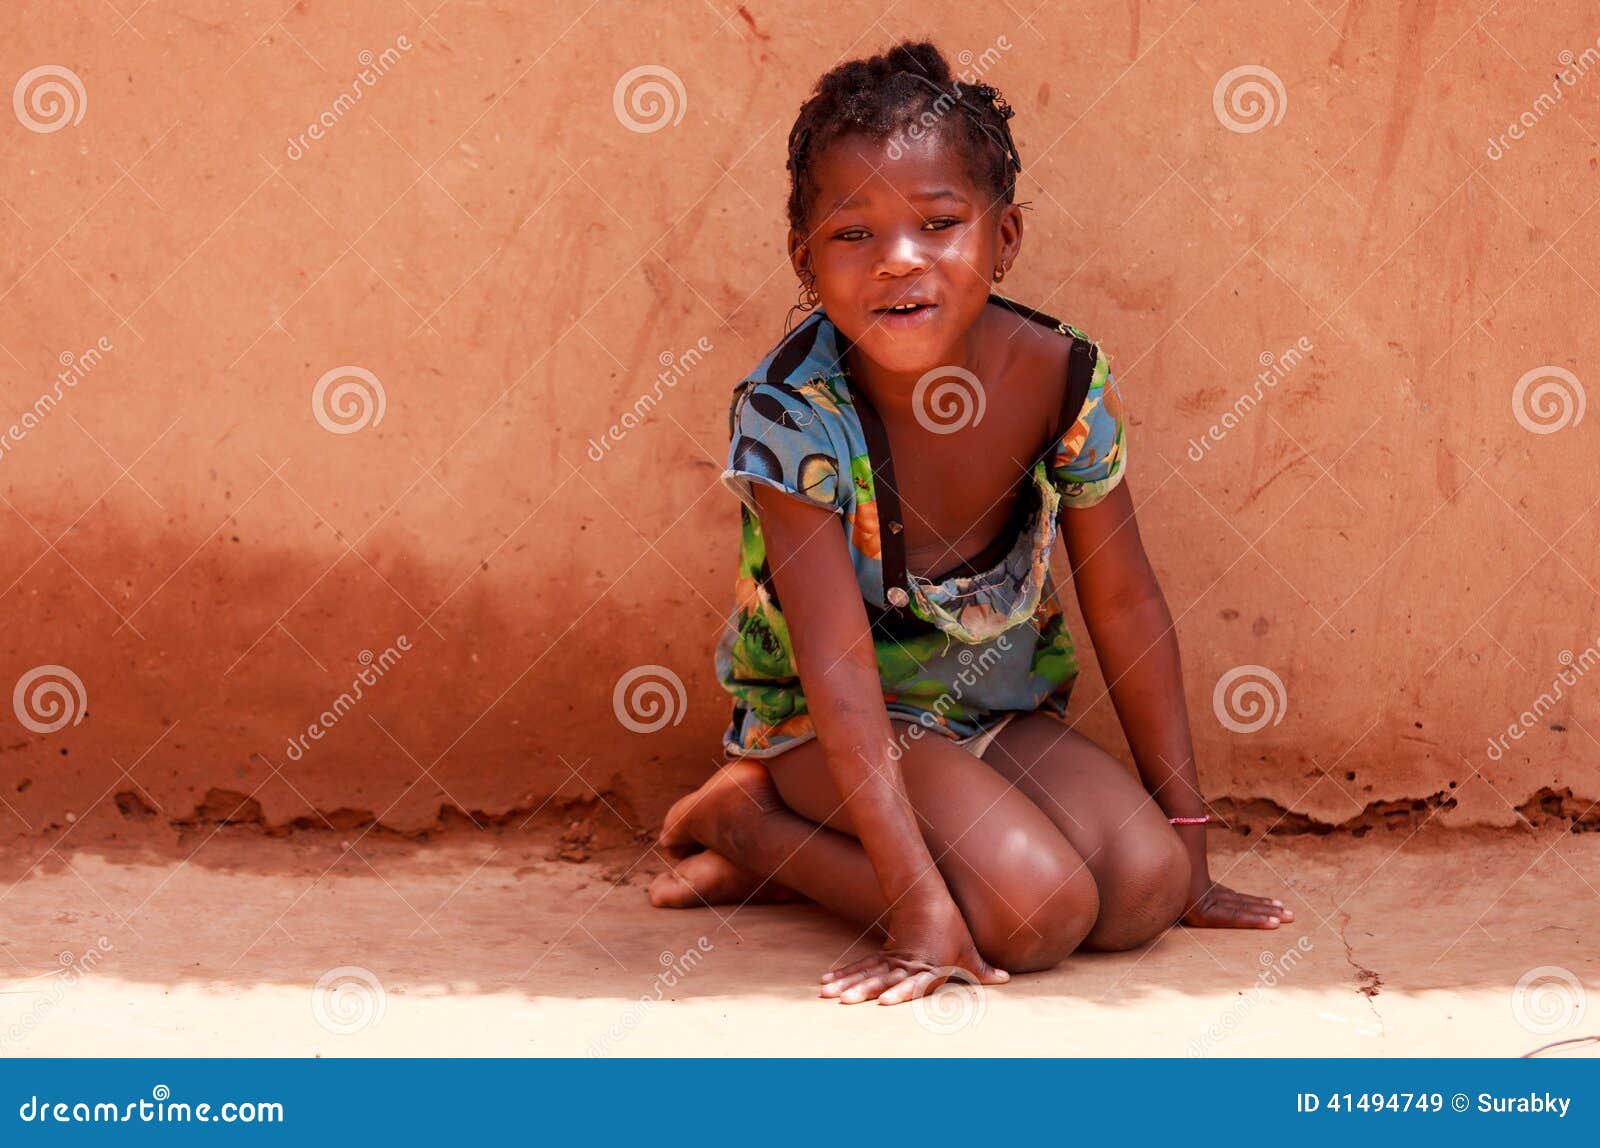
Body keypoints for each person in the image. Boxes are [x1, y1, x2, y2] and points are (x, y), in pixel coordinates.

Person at [649, 40, 1293, 1006]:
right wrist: (913, 908)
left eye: (940, 222)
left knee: (1145, 890)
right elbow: (834, 666)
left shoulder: (1063, 377)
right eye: (852, 234)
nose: (899, 260)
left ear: (1006, 239)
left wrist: (1192, 839)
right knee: (1033, 916)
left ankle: (818, 852)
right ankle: (750, 827)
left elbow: (1122, 599)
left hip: (995, 708)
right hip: (820, 725)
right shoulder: (792, 414)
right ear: (806, 258)